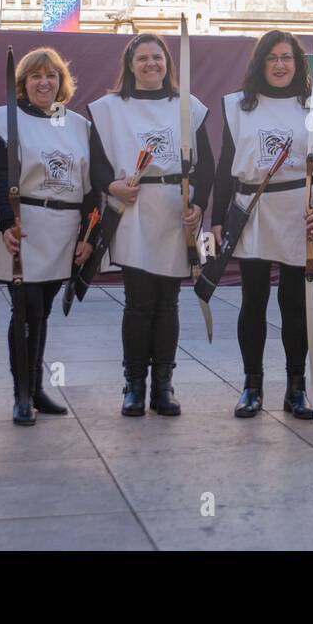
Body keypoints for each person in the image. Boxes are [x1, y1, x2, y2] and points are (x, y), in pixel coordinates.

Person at [211, 31, 313, 420]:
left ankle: (295, 388)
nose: (281, 64)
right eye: (272, 58)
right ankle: (252, 386)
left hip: (298, 209)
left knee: (295, 305)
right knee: (253, 301)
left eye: (288, 57)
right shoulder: (238, 106)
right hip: (252, 208)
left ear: (298, 64)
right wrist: (217, 219)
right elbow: (224, 165)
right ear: (260, 63)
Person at [87, 34, 213, 418]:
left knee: (169, 303)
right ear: (129, 65)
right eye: (142, 58)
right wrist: (112, 186)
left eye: (157, 57)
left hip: (174, 211)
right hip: (133, 209)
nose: (150, 64)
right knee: (139, 303)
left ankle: (163, 385)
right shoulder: (109, 108)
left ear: (167, 64)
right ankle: (134, 385)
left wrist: (198, 206)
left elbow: (206, 166)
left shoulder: (187, 106)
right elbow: (95, 163)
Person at [0, 47, 93, 425]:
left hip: (63, 228)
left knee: (42, 312)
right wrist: (4, 223)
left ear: (61, 82)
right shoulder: (4, 121)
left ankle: (37, 386)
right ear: (23, 83)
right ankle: (22, 393)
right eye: (35, 77)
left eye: (51, 76)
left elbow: (89, 182)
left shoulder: (75, 123)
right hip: (24, 225)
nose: (44, 83)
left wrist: (87, 233)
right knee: (25, 311)